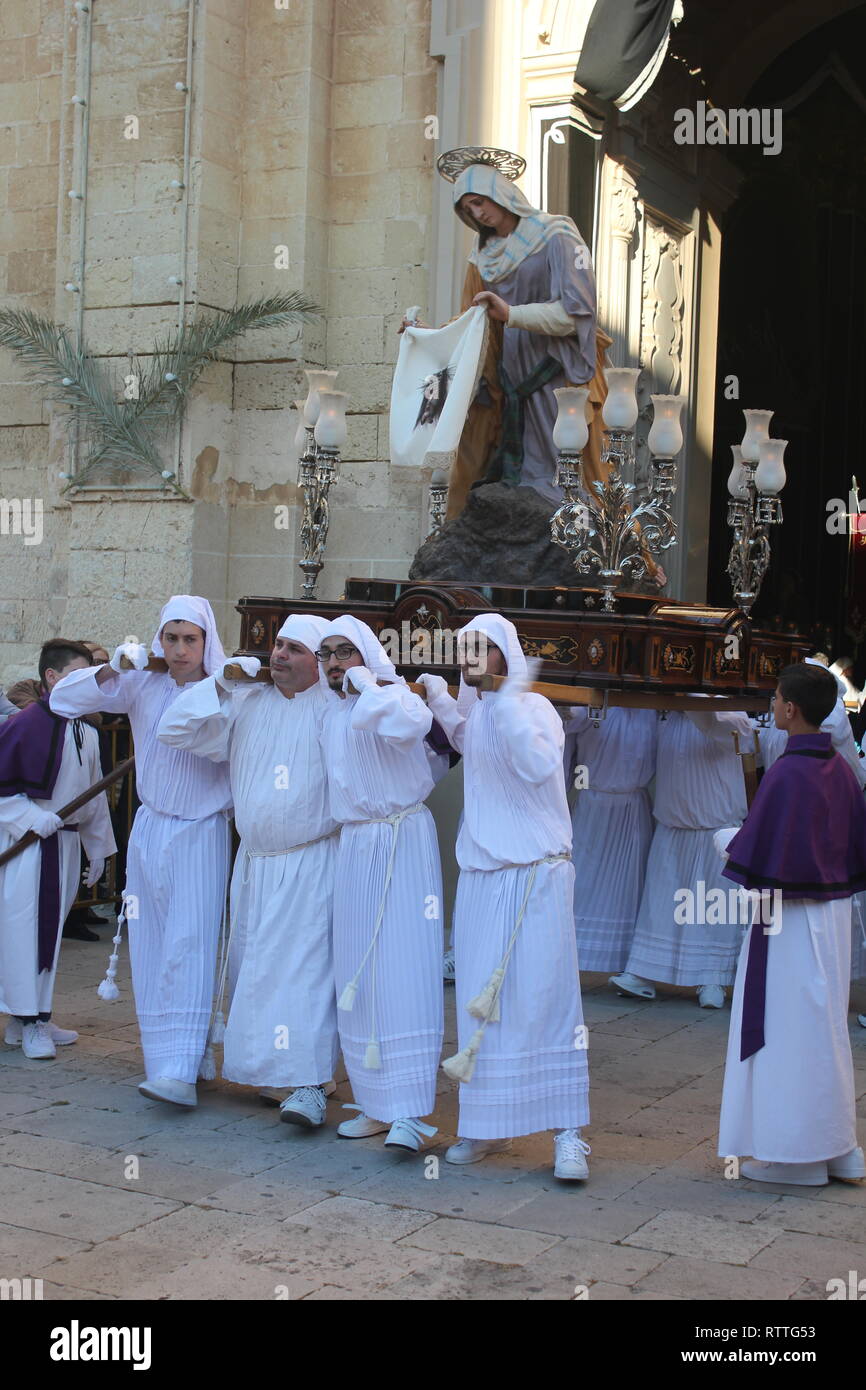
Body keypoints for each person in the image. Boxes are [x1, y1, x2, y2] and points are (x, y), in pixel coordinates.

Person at [418, 615, 590, 1180]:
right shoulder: (483, 711)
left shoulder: (534, 708)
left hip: (535, 876)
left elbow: (538, 765)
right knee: (478, 1003)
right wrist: (444, 699)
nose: (470, 657)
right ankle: (485, 1125)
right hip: (483, 879)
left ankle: (568, 1133)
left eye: (482, 649)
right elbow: (468, 737)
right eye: (463, 648)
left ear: (504, 656)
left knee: (546, 1001)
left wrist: (513, 697)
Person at [157, 615, 340, 1128]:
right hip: (255, 861)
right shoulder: (245, 703)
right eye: (277, 645)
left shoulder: (333, 710)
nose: (279, 655)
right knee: (255, 970)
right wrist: (219, 680)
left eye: (294, 649)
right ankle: (278, 1073)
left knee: (305, 973)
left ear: (319, 662)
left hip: (310, 859)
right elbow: (174, 728)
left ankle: (308, 1085)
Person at [50, 596, 232, 1108]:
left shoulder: (226, 688)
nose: (179, 650)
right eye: (170, 638)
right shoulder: (142, 682)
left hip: (200, 829)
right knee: (150, 942)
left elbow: (220, 744)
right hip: (151, 826)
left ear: (205, 641)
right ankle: (169, 1056)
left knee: (189, 941)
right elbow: (63, 700)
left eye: (190, 639)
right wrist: (111, 669)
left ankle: (179, 1066)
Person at [715, 662, 866, 1185]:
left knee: (787, 1030)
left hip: (789, 921)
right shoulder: (841, 769)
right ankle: (840, 1146)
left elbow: (756, 848)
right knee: (826, 1026)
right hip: (832, 916)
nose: (771, 705)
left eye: (776, 698)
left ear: (790, 708)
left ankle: (796, 1156)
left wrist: (723, 841)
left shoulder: (785, 772)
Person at [410, 148, 611, 520]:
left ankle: (585, 552)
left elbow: (578, 311)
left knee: (563, 474)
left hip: (557, 371)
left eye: (480, 202)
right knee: (514, 480)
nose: (477, 214)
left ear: (501, 193)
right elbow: (473, 320)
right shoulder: (482, 254)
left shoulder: (557, 233)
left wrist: (513, 313)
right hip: (511, 380)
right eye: (468, 208)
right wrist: (427, 336)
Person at [316, 616, 444, 1153]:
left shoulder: (400, 697)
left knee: (404, 968)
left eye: (346, 651)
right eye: (326, 654)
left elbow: (409, 728)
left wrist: (369, 681)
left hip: (402, 840)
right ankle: (374, 1100)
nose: (335, 662)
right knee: (357, 970)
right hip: (356, 844)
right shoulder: (329, 716)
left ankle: (411, 1111)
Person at [0, 640, 115, 1059]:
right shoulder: (28, 723)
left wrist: (98, 848)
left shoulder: (87, 730)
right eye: (77, 675)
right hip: (29, 847)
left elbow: (95, 795)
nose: (88, 685)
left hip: (64, 842)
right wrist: (30, 817)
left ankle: (28, 1018)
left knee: (48, 934)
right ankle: (31, 1021)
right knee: (25, 931)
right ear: (52, 677)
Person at [610, 708, 752, 1008]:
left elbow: (725, 731)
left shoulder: (733, 713)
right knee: (660, 906)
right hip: (672, 822)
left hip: (716, 825)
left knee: (711, 908)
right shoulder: (668, 715)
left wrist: (692, 701)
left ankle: (713, 978)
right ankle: (642, 971)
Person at [563, 705, 657, 974]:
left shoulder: (651, 709)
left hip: (632, 805)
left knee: (629, 886)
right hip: (593, 803)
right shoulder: (589, 705)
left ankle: (626, 962)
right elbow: (567, 725)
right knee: (581, 881)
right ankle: (570, 956)